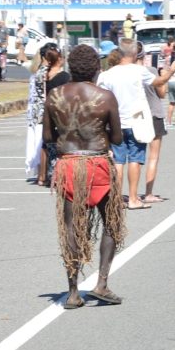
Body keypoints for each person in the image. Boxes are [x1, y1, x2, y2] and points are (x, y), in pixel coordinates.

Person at [42, 44, 126, 310]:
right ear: (96, 69)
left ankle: (73, 291)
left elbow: (46, 137)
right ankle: (101, 282)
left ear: (71, 68)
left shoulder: (54, 95)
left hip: (68, 164)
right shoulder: (105, 96)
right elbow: (117, 137)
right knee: (111, 222)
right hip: (98, 161)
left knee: (70, 228)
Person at [98, 38, 175, 210]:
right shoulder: (139, 71)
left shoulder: (107, 74)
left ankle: (116, 198)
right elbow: (159, 83)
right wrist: (173, 68)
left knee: (118, 161)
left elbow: (99, 95)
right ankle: (134, 198)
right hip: (136, 121)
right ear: (135, 53)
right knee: (135, 159)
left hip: (115, 122)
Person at [26, 43, 69, 186]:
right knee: (43, 143)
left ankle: (41, 175)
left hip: (35, 110)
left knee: (41, 144)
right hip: (44, 110)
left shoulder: (39, 72)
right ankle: (44, 174)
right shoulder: (52, 74)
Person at [137, 42, 169, 204]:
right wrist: (165, 74)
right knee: (153, 157)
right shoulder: (151, 71)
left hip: (136, 116)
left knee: (134, 156)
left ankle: (132, 192)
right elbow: (162, 93)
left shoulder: (126, 73)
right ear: (143, 56)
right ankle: (148, 193)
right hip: (154, 114)